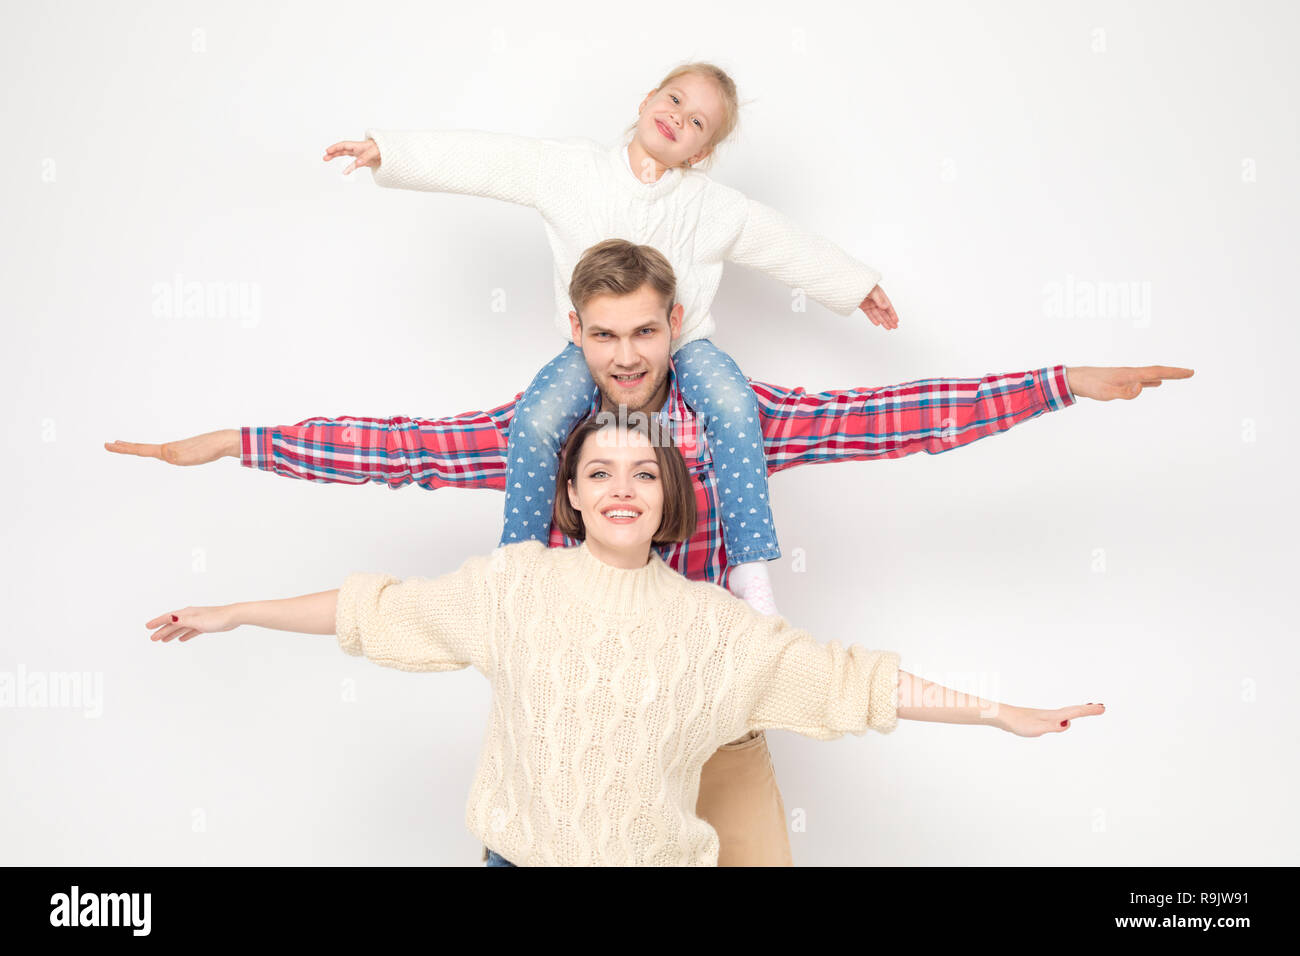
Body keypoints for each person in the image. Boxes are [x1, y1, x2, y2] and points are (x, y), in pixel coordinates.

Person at [106, 239, 1192, 865]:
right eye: (603, 333)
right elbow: (392, 450)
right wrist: (240, 443)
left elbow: (896, 414)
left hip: (719, 700)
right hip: (582, 733)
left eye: (644, 330)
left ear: (675, 321)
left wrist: (1054, 385)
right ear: (573, 331)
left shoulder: (739, 420)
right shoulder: (544, 440)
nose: (626, 355)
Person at [143, 412, 1105, 866]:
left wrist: (999, 712)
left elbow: (854, 684)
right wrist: (235, 611)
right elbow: (370, 608)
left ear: (666, 498)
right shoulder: (514, 586)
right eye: (599, 470)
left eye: (642, 473)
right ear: (568, 494)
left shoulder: (716, 630)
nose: (620, 486)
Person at [323, 60, 902, 619]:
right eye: (674, 99)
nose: (679, 116)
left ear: (700, 153)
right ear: (647, 101)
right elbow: (489, 160)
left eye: (698, 122)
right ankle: (519, 564)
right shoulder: (573, 171)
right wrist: (393, 153)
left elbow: (786, 243)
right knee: (536, 419)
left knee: (733, 405)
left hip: (687, 347)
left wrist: (855, 285)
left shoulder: (714, 208)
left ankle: (749, 567)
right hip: (589, 351)